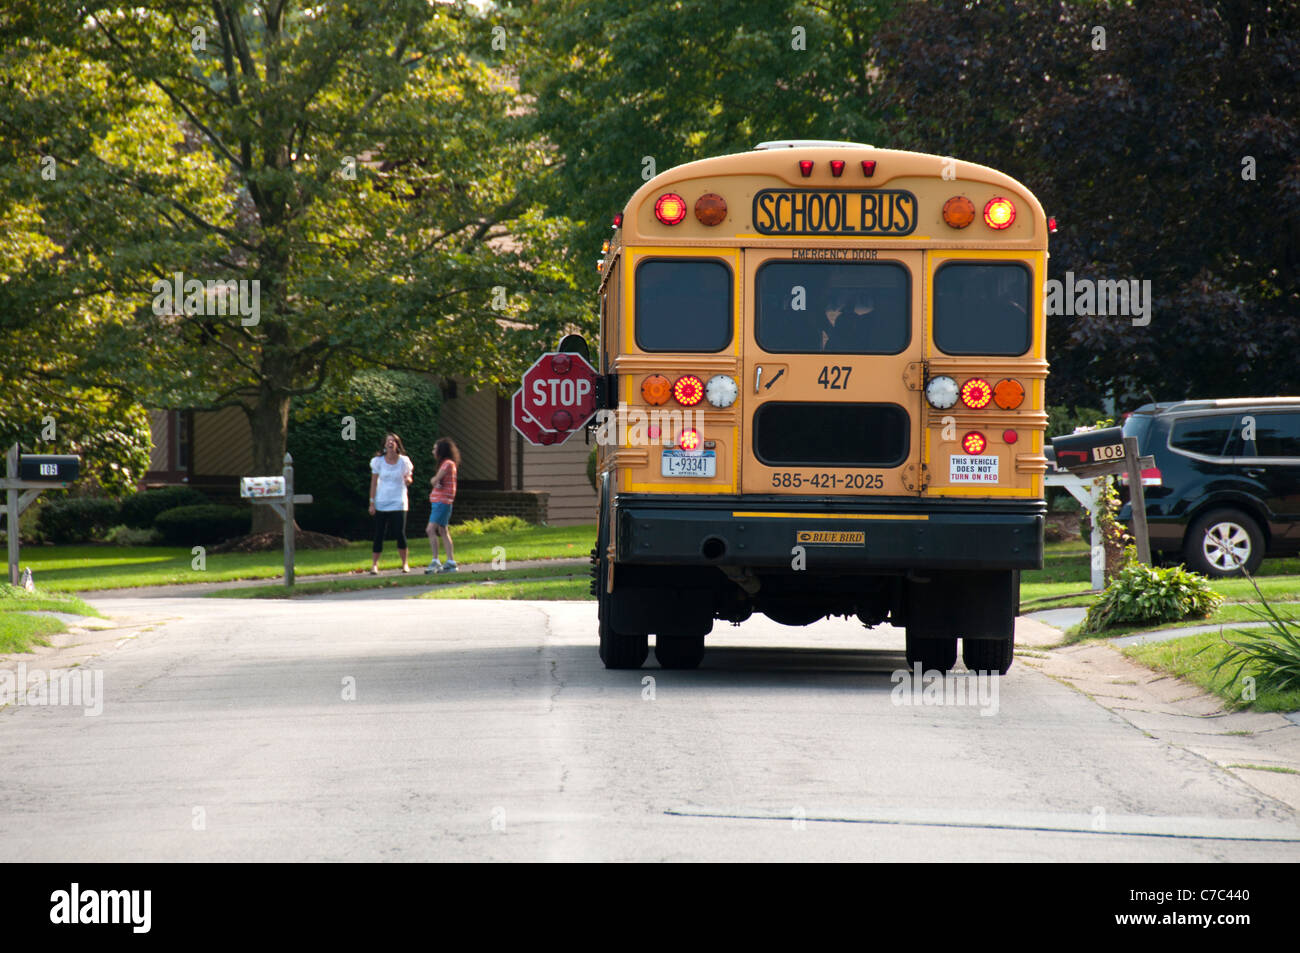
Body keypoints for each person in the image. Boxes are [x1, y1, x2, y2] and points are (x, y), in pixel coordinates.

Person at [368, 432, 414, 574]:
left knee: (399, 533)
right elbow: (374, 482)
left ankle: (405, 564)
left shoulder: (404, 461)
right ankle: (374, 565)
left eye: (393, 441)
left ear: (397, 445)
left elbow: (409, 477)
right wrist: (372, 502)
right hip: (382, 502)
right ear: (384, 445)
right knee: (379, 534)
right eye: (388, 441)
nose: (390, 443)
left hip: (398, 502)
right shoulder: (378, 462)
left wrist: (408, 480)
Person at [425, 437, 460, 574]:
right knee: (443, 530)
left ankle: (435, 560)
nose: (433, 451)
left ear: (441, 450)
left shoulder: (447, 464)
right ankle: (450, 561)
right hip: (441, 502)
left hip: (441, 502)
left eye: (435, 448)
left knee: (430, 529)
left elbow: (435, 480)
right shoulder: (448, 464)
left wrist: (433, 480)